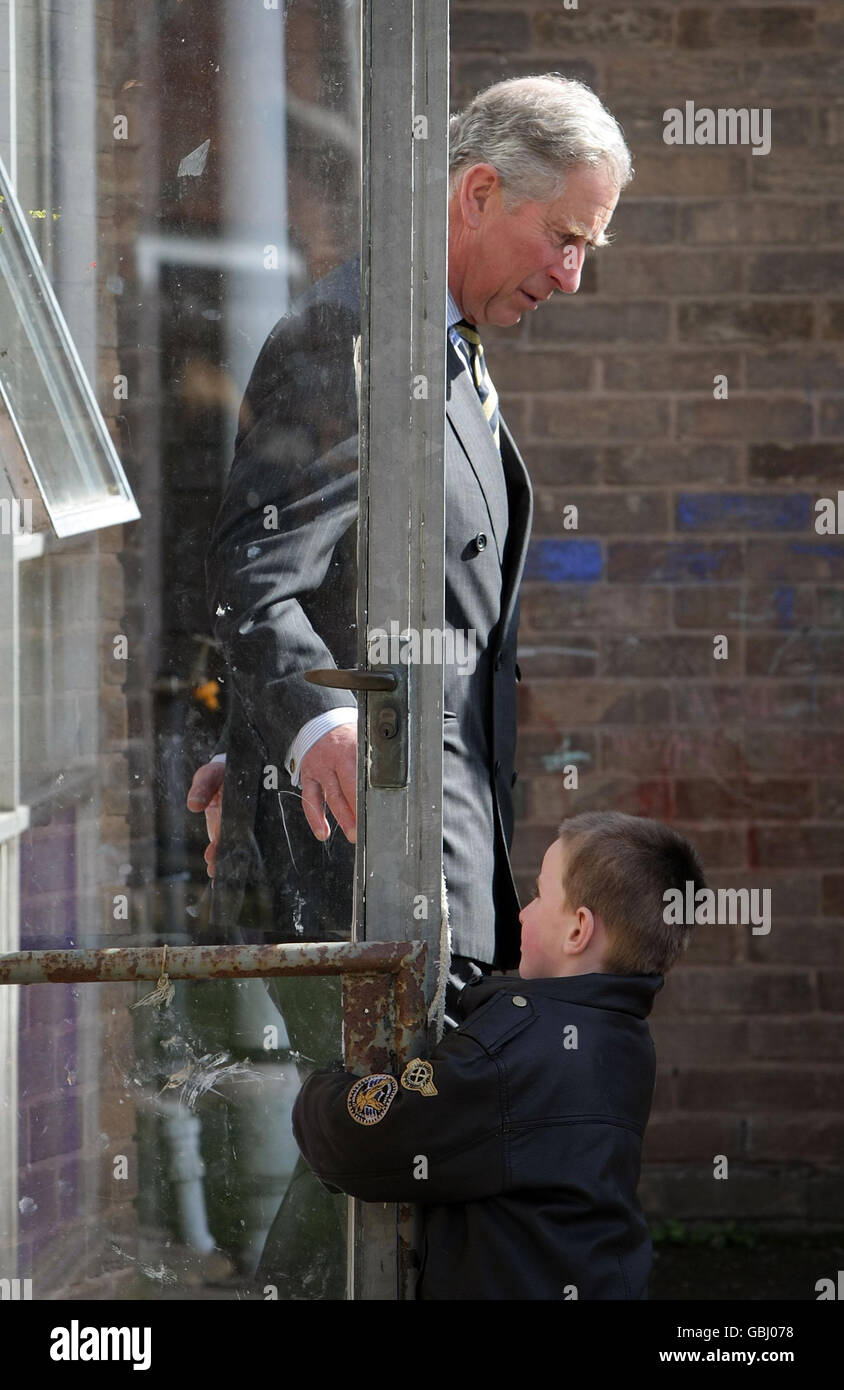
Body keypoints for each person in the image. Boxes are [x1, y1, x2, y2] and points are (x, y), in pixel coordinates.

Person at [190, 74, 633, 1293]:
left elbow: (347, 595)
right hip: (369, 865)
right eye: (563, 238)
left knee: (381, 1185)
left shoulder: (457, 356)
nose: (571, 276)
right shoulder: (350, 339)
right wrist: (309, 721)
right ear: (479, 191)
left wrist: (276, 728)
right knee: (373, 1176)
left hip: (437, 862)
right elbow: (251, 567)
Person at [292, 811, 707, 1300]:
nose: (522, 912)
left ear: (578, 930)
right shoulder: (624, 1034)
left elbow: (367, 1141)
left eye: (537, 895)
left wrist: (321, 1087)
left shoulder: (520, 1045)